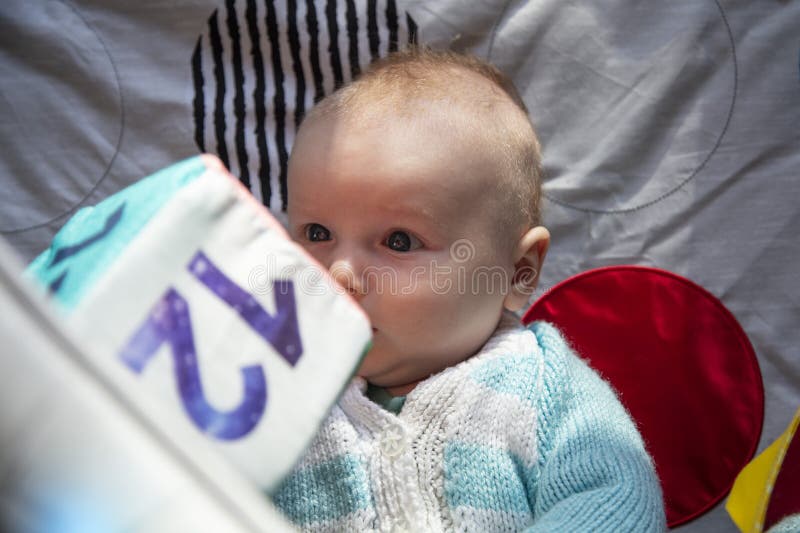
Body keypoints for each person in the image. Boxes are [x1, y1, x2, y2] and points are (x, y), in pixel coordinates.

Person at [274, 47, 665, 532]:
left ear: (517, 271)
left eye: (399, 241)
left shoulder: (543, 386)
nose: (338, 274)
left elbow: (618, 501)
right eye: (316, 234)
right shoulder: (278, 388)